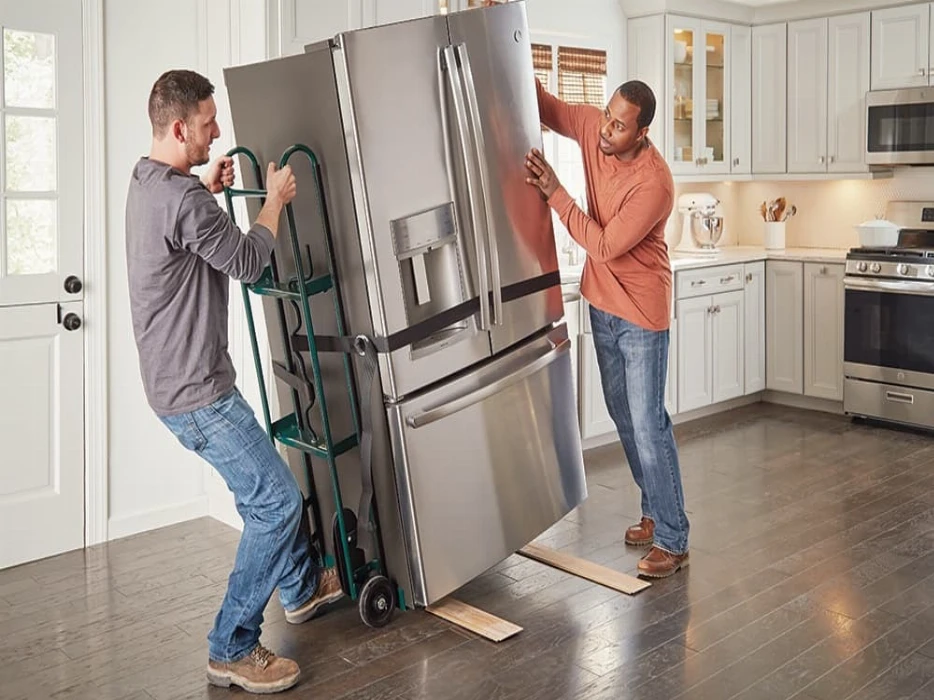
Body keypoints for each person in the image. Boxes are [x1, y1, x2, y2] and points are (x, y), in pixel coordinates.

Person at [125, 69, 344, 694]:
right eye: (206, 123)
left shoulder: (151, 182)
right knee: (275, 502)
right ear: (177, 126)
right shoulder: (182, 200)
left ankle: (301, 590)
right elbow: (249, 262)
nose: (217, 131)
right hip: (199, 394)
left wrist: (207, 185)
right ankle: (232, 646)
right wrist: (272, 200)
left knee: (265, 493)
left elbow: (187, 220)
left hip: (178, 385)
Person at [526, 77, 689, 578]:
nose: (607, 130)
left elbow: (602, 246)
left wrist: (555, 192)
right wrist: (506, 26)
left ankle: (673, 536)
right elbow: (547, 106)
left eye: (620, 126)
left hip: (641, 310)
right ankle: (652, 507)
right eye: (608, 116)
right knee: (623, 414)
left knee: (647, 421)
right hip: (602, 304)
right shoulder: (596, 125)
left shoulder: (653, 183)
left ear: (641, 134)